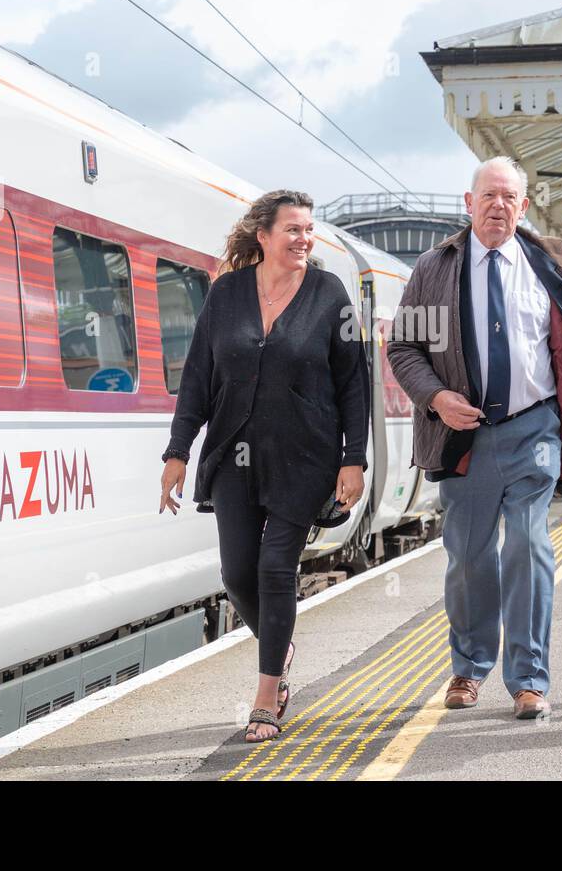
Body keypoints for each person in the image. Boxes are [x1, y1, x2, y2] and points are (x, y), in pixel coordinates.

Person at [388, 156, 562, 720]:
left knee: (528, 544)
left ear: (523, 206)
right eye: (488, 196)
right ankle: (469, 667)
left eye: (508, 197)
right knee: (467, 555)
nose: (498, 206)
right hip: (463, 436)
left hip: (533, 427)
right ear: (469, 204)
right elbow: (403, 349)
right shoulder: (434, 269)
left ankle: (529, 677)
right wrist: (437, 397)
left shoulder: (551, 265)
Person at [159, 190, 368, 743]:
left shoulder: (329, 294)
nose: (304, 239)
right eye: (293, 230)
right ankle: (281, 644)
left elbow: (354, 384)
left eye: (309, 229)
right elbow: (198, 377)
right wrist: (178, 451)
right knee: (236, 574)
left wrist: (354, 460)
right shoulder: (226, 295)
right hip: (233, 455)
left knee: (277, 568)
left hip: (305, 457)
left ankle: (266, 697)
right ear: (265, 236)